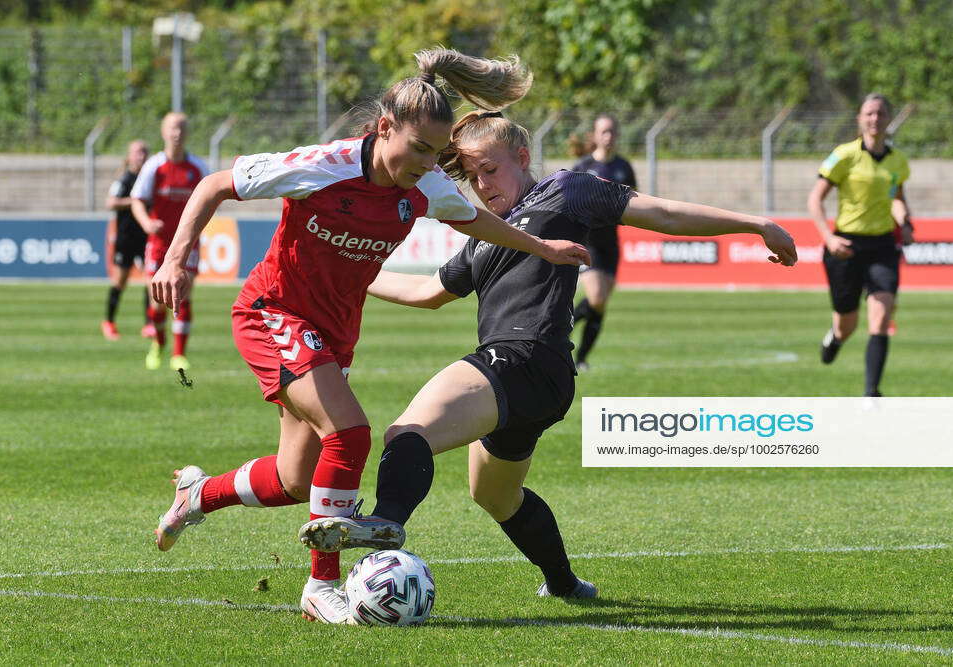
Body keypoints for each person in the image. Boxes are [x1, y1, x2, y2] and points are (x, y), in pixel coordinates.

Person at [148, 48, 590, 624]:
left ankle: (197, 495)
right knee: (351, 434)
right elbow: (214, 186)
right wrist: (179, 259)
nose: (429, 163)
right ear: (385, 128)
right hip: (274, 311)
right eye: (421, 148)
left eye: (437, 153)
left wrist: (545, 249)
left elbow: (477, 221)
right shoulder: (324, 165)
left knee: (296, 478)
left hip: (333, 333)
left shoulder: (426, 184)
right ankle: (320, 586)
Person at [299, 111, 796, 602]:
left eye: (489, 170)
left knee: (408, 433)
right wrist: (347, 270)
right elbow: (428, 291)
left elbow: (661, 213)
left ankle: (386, 522)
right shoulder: (489, 231)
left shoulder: (567, 190)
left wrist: (756, 224)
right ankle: (565, 583)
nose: (482, 185)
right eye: (472, 178)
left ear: (522, 156)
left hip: (525, 358)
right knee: (494, 495)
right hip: (532, 381)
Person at [807, 93, 913, 397]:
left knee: (881, 315)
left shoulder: (898, 161)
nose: (874, 119)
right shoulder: (844, 155)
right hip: (846, 246)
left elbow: (896, 197)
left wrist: (904, 222)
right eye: (869, 113)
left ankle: (871, 394)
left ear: (889, 119)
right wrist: (828, 237)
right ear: (859, 118)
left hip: (882, 246)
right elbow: (815, 198)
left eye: (880, 113)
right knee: (847, 324)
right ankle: (836, 340)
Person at [130, 112, 209, 371]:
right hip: (160, 243)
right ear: (164, 132)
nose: (178, 133)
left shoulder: (197, 168)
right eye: (173, 128)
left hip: (188, 244)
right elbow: (137, 200)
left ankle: (178, 354)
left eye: (182, 128)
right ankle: (158, 343)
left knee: (183, 296)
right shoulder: (155, 166)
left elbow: (212, 198)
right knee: (157, 300)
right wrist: (146, 224)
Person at [568, 114, 637, 370]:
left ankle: (582, 358)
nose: (608, 136)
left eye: (612, 132)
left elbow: (634, 200)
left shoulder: (623, 167)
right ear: (595, 136)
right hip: (589, 242)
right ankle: (560, 330)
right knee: (595, 297)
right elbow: (567, 201)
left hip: (611, 243)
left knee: (600, 304)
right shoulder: (583, 167)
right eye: (603, 131)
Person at [101, 139, 154, 341]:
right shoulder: (124, 179)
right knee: (120, 282)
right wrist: (134, 201)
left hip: (146, 237)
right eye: (138, 152)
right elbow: (111, 202)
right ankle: (109, 322)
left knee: (150, 281)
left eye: (144, 152)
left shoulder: (150, 179)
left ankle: (149, 324)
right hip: (126, 238)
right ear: (130, 156)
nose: (141, 155)